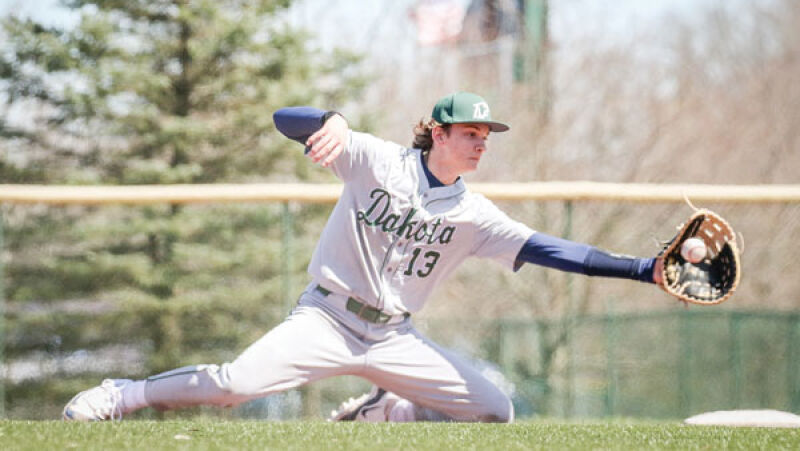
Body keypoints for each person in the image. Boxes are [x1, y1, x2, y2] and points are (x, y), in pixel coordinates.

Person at [62, 92, 663, 423]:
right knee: (235, 385)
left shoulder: (475, 216)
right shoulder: (375, 160)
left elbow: (557, 251)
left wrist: (643, 269)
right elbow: (284, 119)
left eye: (487, 135)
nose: (482, 142)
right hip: (326, 319)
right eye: (472, 132)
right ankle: (123, 393)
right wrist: (331, 120)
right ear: (440, 133)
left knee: (495, 411)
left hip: (396, 339)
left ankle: (388, 411)